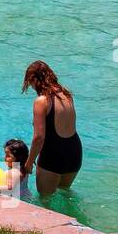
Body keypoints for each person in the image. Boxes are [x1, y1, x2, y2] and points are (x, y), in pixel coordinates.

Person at [21, 61, 82, 195]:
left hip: (54, 154)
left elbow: (39, 138)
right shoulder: (66, 94)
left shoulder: (41, 101)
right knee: (65, 194)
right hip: (74, 153)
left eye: (30, 82)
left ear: (34, 80)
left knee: (45, 200)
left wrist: (29, 162)